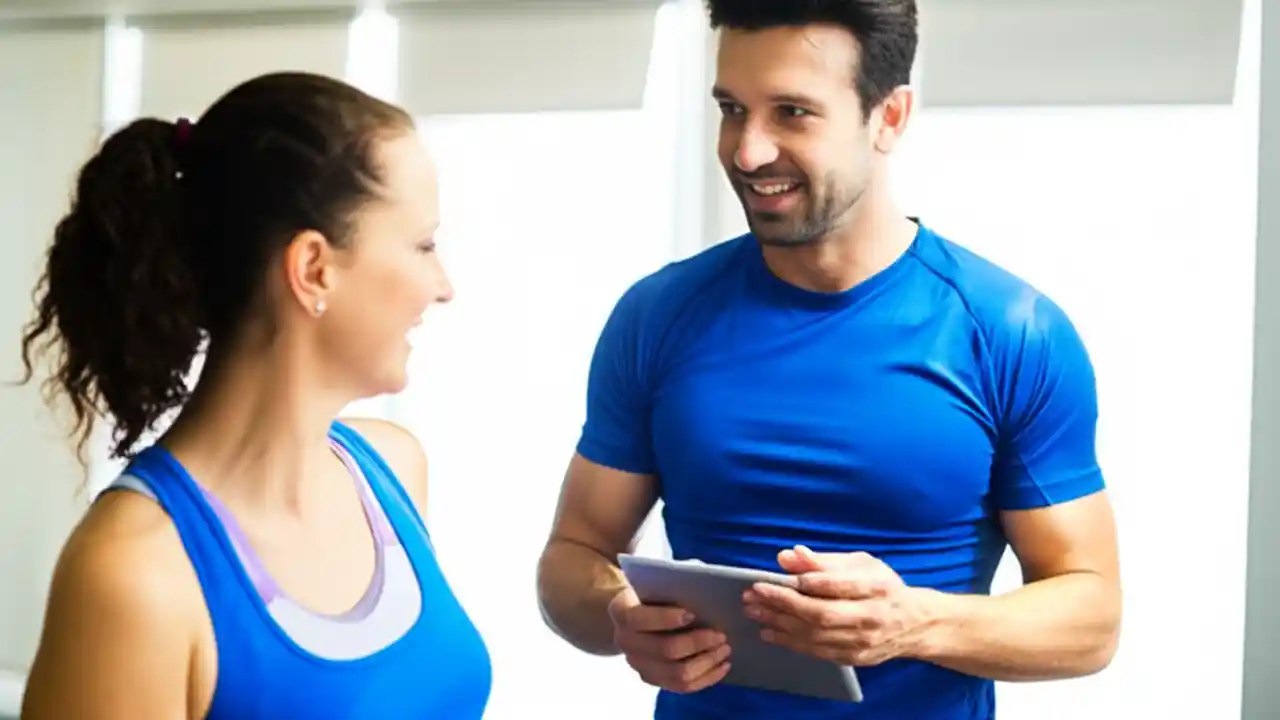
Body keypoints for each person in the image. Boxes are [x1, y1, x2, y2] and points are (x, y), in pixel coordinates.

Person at [536, 1, 1121, 718]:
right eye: (732, 109)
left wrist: (915, 624)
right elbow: (571, 557)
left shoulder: (1010, 332)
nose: (747, 152)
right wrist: (620, 615)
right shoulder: (657, 316)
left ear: (890, 117)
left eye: (792, 113)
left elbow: (1091, 620)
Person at [17, 71, 491, 719]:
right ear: (313, 269)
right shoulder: (135, 573)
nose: (443, 286)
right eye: (424, 245)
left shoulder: (393, 471)